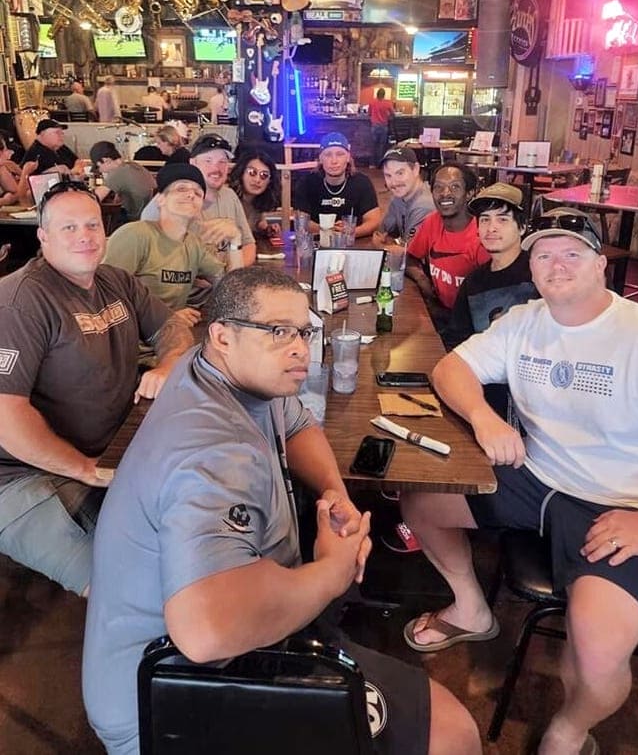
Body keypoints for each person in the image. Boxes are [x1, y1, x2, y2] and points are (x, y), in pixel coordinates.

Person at [83, 266, 481, 755]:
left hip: (222, 654)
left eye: (303, 331)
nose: (300, 348)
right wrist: (333, 571)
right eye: (278, 332)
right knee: (452, 736)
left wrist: (335, 494)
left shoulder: (223, 372)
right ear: (223, 335)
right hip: (172, 699)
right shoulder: (211, 452)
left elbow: (297, 424)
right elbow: (207, 633)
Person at [401, 208, 638, 755]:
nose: (557, 264)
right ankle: (470, 609)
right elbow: (448, 370)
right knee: (421, 495)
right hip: (536, 478)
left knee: (597, 661)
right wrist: (486, 419)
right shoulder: (524, 319)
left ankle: (571, 728)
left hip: (624, 505)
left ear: (602, 263)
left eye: (572, 252)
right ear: (530, 264)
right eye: (545, 253)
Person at [0, 180, 194, 596]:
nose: (84, 236)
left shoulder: (116, 282)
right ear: (42, 235)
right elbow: (6, 418)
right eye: (68, 227)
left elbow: (174, 329)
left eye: (92, 225)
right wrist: (87, 470)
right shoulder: (19, 303)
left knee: (192, 546)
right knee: (130, 588)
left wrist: (167, 364)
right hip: (21, 474)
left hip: (109, 452)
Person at [104, 163, 227, 314]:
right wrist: (166, 319)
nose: (191, 195)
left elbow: (230, 286)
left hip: (172, 333)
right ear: (160, 200)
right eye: (181, 188)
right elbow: (107, 297)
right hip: (135, 335)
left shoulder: (193, 244)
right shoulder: (136, 235)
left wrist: (235, 241)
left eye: (198, 193)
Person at [443, 180, 538, 361]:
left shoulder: (539, 274)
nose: (491, 228)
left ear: (523, 227)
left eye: (502, 219)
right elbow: (456, 340)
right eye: (485, 219)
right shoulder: (473, 282)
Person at [142, 134, 255, 266]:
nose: (216, 168)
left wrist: (229, 276)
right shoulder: (165, 202)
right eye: (208, 160)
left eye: (222, 162)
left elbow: (248, 244)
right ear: (193, 163)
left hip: (224, 282)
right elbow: (150, 261)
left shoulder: (229, 196)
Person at [406, 164, 488, 331]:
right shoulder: (432, 221)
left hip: (471, 326)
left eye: (455, 187)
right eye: (438, 187)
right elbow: (410, 258)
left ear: (470, 193)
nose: (445, 193)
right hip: (440, 314)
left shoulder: (482, 236)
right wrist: (423, 281)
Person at [294, 132, 382, 238]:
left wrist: (352, 231)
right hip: (318, 244)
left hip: (353, 244)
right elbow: (301, 220)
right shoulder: (306, 182)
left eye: (340, 154)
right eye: (328, 155)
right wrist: (328, 229)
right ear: (320, 159)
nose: (334, 161)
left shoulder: (362, 182)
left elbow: (374, 221)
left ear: (348, 157)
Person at [372, 147, 434, 251]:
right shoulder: (399, 197)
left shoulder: (425, 205)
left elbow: (410, 253)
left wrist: (382, 247)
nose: (394, 182)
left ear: (416, 169)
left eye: (400, 173)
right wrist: (391, 244)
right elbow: (382, 233)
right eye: (388, 175)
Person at [88, 141, 156, 222]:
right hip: (150, 216)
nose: (100, 171)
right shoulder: (133, 166)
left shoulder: (118, 172)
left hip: (136, 221)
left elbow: (94, 198)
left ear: (106, 160)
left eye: (98, 167)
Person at [228, 147, 281, 236]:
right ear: (241, 173)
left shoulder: (258, 202)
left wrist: (267, 229)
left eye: (264, 175)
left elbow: (255, 227)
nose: (257, 180)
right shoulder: (228, 198)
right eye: (252, 172)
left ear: (269, 181)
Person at [368, 87, 395, 167]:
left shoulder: (372, 102)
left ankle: (372, 164)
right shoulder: (387, 103)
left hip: (374, 126)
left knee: (373, 145)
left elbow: (369, 113)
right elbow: (393, 114)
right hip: (383, 126)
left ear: (377, 94)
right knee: (381, 146)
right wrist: (387, 115)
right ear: (384, 95)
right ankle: (379, 164)